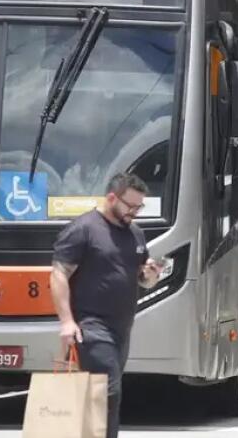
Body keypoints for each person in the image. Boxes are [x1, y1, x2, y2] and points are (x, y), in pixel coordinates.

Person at [50, 173, 163, 438]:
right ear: (112, 197)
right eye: (130, 206)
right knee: (108, 392)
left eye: (140, 207)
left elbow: (141, 278)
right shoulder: (83, 229)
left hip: (121, 330)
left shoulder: (135, 233)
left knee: (101, 395)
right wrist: (66, 321)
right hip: (91, 327)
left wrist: (150, 276)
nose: (134, 212)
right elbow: (57, 275)